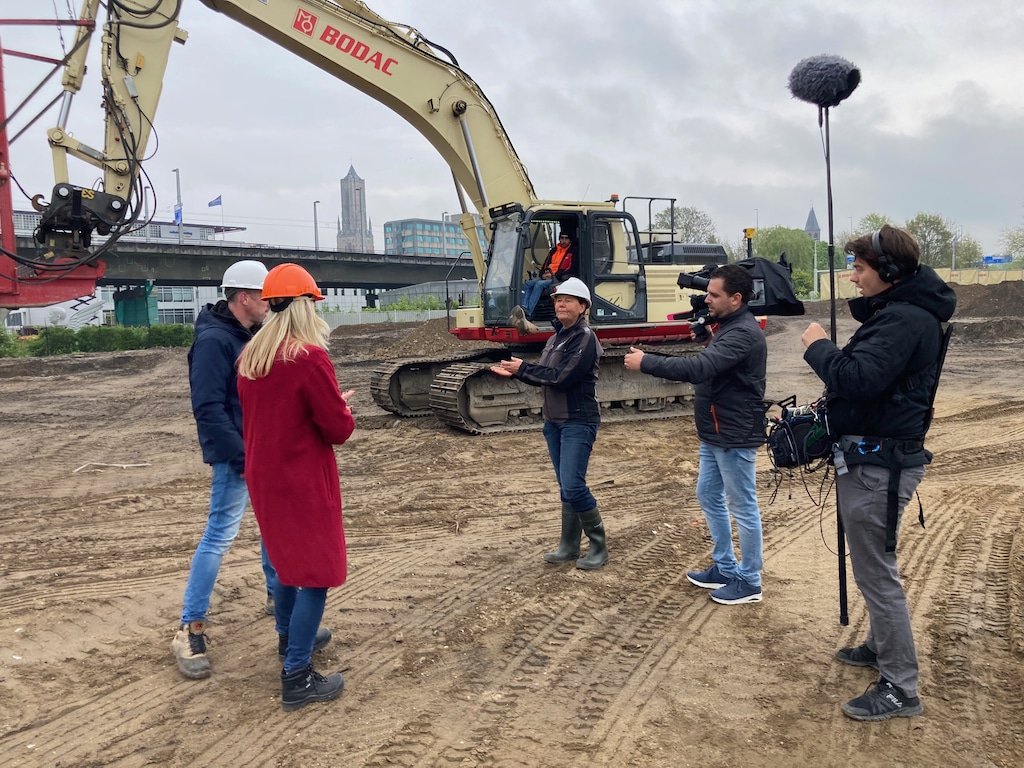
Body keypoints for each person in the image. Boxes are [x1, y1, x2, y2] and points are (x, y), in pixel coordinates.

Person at [801, 224, 955, 722]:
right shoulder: (900, 314)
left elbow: (859, 378)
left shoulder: (904, 320)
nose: (853, 278)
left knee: (877, 574)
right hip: (875, 459)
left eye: (861, 269)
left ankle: (900, 688)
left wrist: (819, 346)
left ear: (888, 272)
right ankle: (879, 644)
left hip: (879, 465)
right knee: (873, 568)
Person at [237, 263, 356, 712]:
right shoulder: (308, 357)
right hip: (302, 479)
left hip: (266, 478)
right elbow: (337, 430)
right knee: (317, 575)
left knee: (286, 566)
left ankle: (289, 642)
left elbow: (274, 417)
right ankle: (298, 676)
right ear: (305, 306)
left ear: (270, 305)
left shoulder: (251, 359)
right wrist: (341, 410)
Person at [624, 264, 767, 605]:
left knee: (743, 507)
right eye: (708, 292)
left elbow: (700, 368)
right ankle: (725, 566)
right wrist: (708, 337)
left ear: (736, 298)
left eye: (714, 295)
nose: (707, 299)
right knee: (708, 496)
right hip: (716, 432)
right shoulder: (729, 328)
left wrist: (647, 361)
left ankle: (750, 581)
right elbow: (718, 365)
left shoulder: (743, 333)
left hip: (733, 434)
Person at [172, 259, 284, 680]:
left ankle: (281, 603)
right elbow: (208, 408)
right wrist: (242, 458)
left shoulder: (245, 335)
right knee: (219, 536)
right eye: (265, 298)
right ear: (244, 298)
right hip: (239, 457)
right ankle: (191, 627)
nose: (270, 305)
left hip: (259, 452)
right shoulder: (216, 341)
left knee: (273, 528)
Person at [491, 277, 608, 570]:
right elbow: (545, 371)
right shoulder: (557, 337)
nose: (561, 304)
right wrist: (518, 372)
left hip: (577, 421)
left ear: (583, 307)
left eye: (568, 300)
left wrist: (523, 369)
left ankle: (598, 546)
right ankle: (569, 545)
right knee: (565, 486)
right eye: (558, 299)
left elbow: (562, 377)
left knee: (573, 485)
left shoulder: (584, 338)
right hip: (554, 421)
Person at [510, 232, 576, 333]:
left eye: (566, 239)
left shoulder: (572, 252)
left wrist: (555, 275)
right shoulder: (554, 250)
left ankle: (529, 313)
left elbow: (571, 269)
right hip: (547, 276)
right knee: (528, 284)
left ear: (570, 240)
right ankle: (524, 307)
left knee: (538, 284)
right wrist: (542, 275)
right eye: (562, 238)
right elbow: (545, 264)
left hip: (559, 278)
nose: (563, 241)